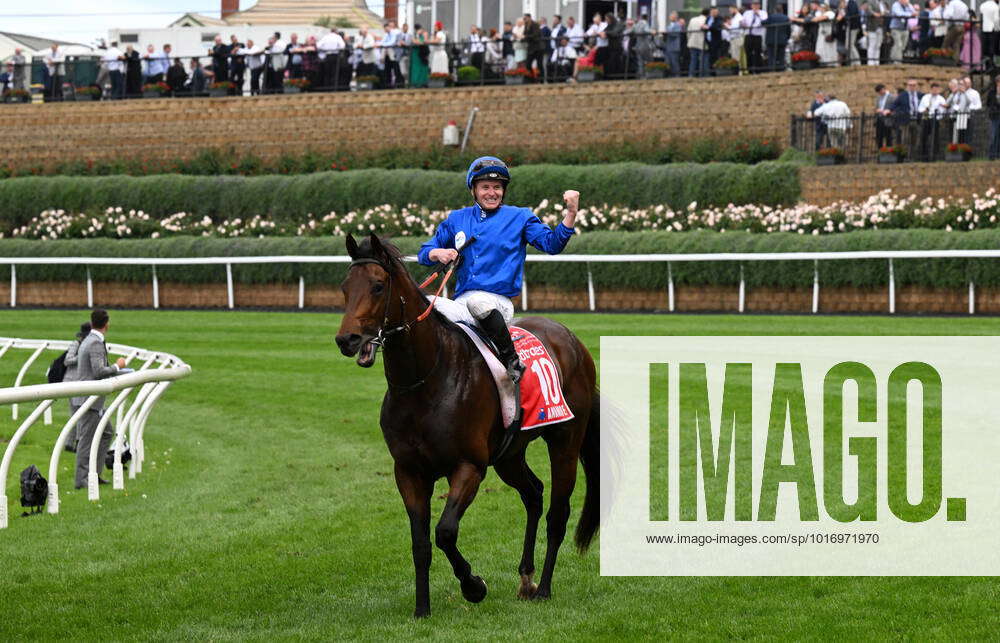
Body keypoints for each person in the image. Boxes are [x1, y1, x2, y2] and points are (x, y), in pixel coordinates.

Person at [417, 157, 579, 385]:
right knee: (422, 303)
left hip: (498, 303)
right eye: (485, 187)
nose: (492, 193)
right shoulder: (457, 219)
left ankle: (512, 360)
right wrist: (438, 253)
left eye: (497, 187)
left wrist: (570, 213)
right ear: (473, 190)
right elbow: (424, 252)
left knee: (479, 303)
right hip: (461, 305)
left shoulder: (520, 217)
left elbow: (552, 244)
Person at [72, 309, 126, 490]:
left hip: (91, 399)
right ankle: (82, 480)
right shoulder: (95, 342)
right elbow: (98, 371)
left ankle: (94, 474)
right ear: (107, 324)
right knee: (86, 440)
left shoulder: (89, 339)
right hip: (89, 401)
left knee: (106, 433)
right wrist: (117, 367)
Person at [62, 322, 92, 453]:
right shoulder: (76, 344)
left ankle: (71, 443)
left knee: (77, 414)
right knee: (78, 414)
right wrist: (82, 357)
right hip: (72, 383)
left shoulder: (89, 346)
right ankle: (75, 442)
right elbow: (67, 360)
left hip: (80, 383)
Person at [875, 83, 896, 147]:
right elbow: (876, 108)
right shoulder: (878, 98)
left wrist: (888, 111)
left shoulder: (892, 97)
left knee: (888, 136)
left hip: (888, 119)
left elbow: (895, 107)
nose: (880, 93)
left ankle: (888, 150)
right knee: (879, 136)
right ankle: (880, 150)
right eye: (878, 92)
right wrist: (878, 110)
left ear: (883, 89)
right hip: (880, 118)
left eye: (880, 91)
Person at [986, 74, 1000, 160]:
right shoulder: (992, 92)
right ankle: (992, 154)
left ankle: (998, 153)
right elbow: (988, 103)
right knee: (993, 135)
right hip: (994, 116)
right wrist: (997, 95)